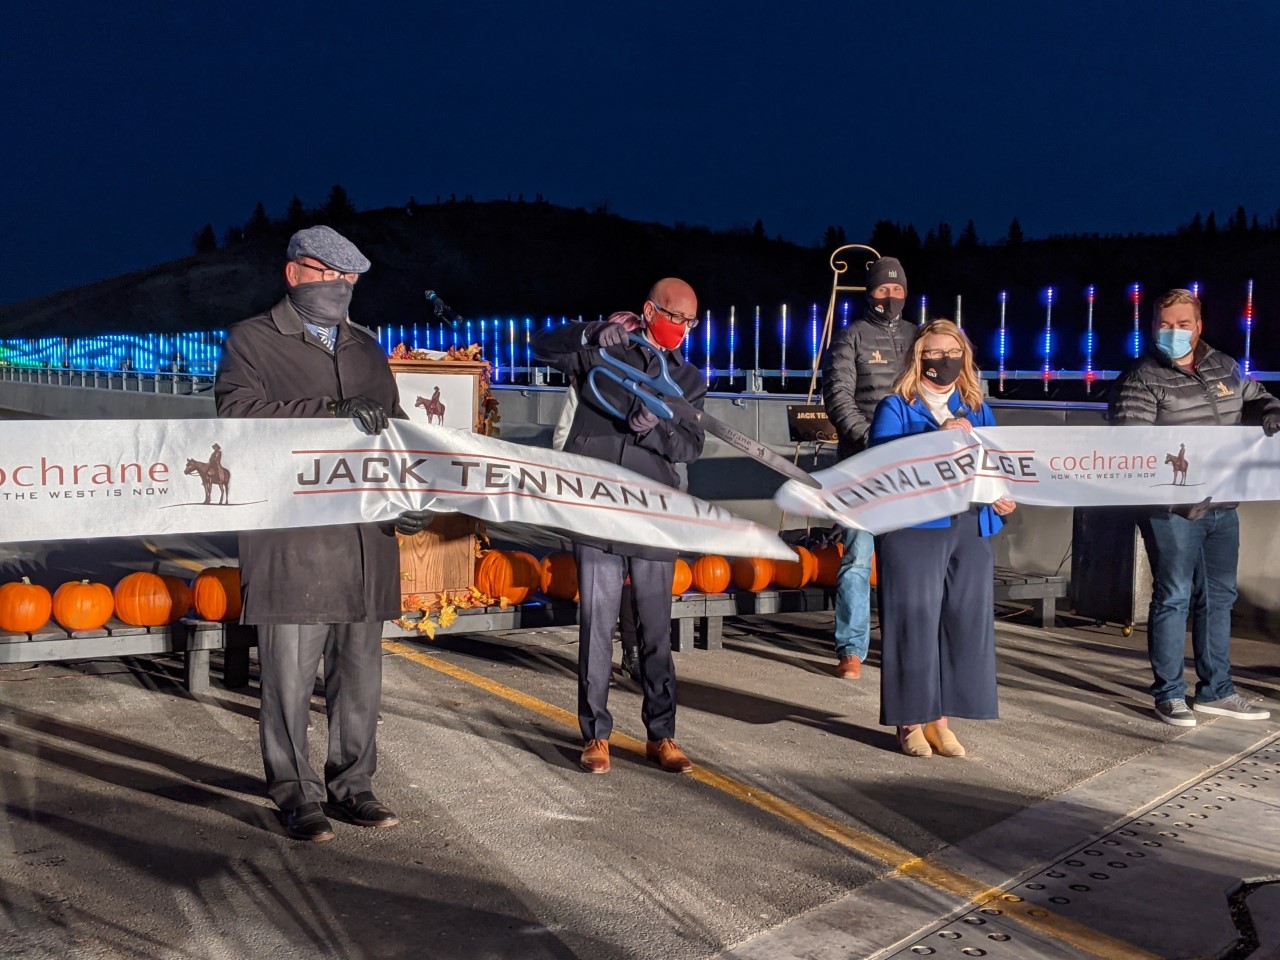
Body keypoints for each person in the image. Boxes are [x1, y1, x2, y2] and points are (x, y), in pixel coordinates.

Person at [216, 225, 430, 842]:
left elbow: (396, 434)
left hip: (364, 539)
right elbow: (236, 419)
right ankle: (294, 791)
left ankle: (353, 784)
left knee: (359, 673)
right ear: (294, 275)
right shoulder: (252, 341)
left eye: (351, 280)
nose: (341, 287)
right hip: (294, 540)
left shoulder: (366, 347)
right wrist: (326, 413)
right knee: (288, 674)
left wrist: (406, 499)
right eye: (329, 275)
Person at [532, 279, 706, 775]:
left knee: (654, 626)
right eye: (676, 318)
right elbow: (541, 346)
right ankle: (596, 735)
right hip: (596, 505)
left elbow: (691, 445)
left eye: (691, 322)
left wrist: (661, 428)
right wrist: (589, 332)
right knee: (597, 624)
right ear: (650, 311)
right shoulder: (601, 355)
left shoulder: (688, 378)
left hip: (653, 513)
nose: (683, 329)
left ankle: (662, 733)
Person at [1108, 288, 1279, 727]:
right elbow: (1132, 450)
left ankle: (1216, 689)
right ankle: (1168, 693)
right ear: (1152, 327)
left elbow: (1256, 396)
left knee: (1219, 596)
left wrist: (1269, 410)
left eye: (1183, 324)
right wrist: (1172, 493)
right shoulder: (1142, 377)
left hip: (1223, 502)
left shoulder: (1224, 365)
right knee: (1174, 596)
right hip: (1173, 509)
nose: (1174, 332)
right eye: (1165, 325)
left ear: (1198, 326)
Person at [868, 319, 1016, 758]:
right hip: (914, 528)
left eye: (951, 353)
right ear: (918, 358)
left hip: (968, 526)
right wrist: (937, 436)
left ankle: (941, 719)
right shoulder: (895, 406)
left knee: (962, 622)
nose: (943, 361)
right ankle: (910, 721)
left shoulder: (977, 407)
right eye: (933, 353)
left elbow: (994, 464)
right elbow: (884, 464)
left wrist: (1002, 497)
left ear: (964, 358)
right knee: (913, 623)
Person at [820, 256, 915, 679]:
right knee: (858, 557)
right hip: (860, 464)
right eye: (882, 289)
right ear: (869, 293)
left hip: (910, 471)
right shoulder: (850, 338)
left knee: (905, 561)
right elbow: (838, 395)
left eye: (897, 290)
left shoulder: (919, 338)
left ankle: (900, 645)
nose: (890, 296)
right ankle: (851, 649)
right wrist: (871, 441)